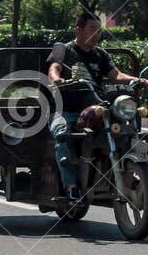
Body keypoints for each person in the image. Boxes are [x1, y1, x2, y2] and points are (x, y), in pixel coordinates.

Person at [45, 12, 141, 202]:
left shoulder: (100, 54)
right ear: (78, 29)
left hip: (95, 107)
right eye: (92, 29)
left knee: (126, 130)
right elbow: (53, 68)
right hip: (66, 109)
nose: (96, 34)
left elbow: (116, 75)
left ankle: (127, 176)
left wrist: (136, 79)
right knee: (63, 135)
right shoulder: (65, 50)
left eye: (99, 30)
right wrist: (57, 79)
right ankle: (71, 186)